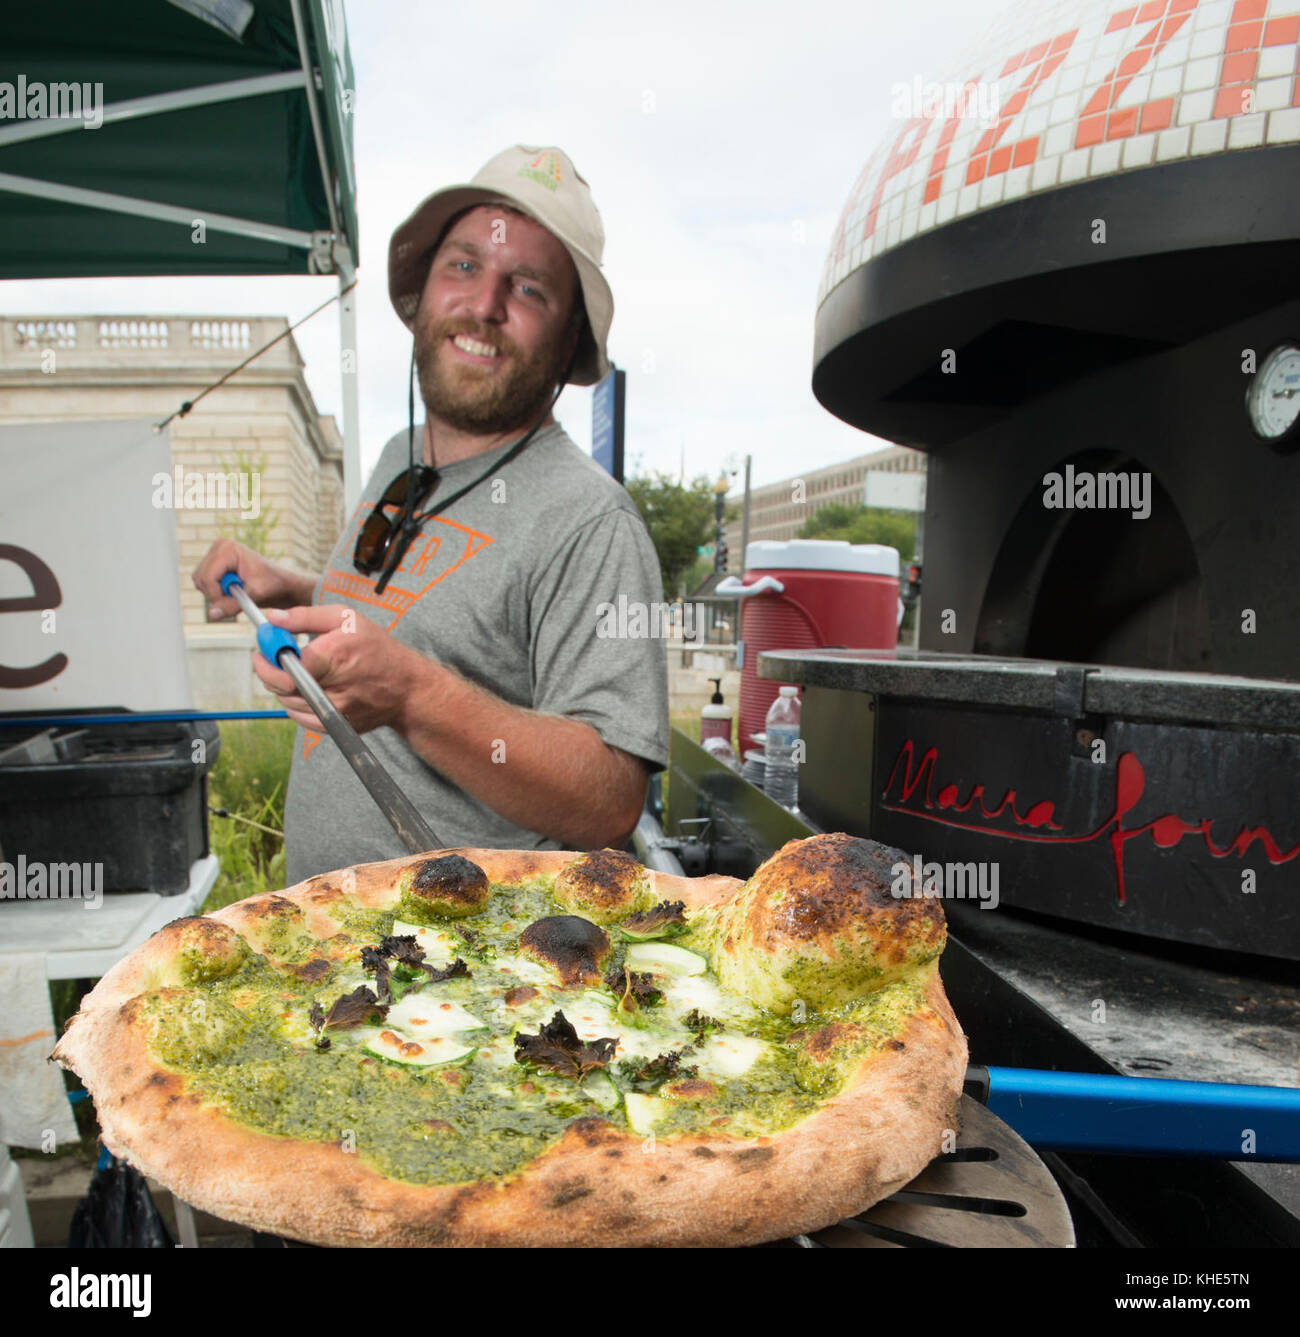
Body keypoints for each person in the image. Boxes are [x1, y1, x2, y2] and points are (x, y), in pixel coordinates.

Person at [193, 145, 669, 885]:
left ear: (571, 337)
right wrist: (289, 589)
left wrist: (413, 697)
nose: (484, 305)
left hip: (456, 978)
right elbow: (415, 606)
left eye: (530, 289)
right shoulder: (397, 456)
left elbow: (612, 798)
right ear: (424, 290)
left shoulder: (592, 523)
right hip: (324, 943)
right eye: (464, 265)